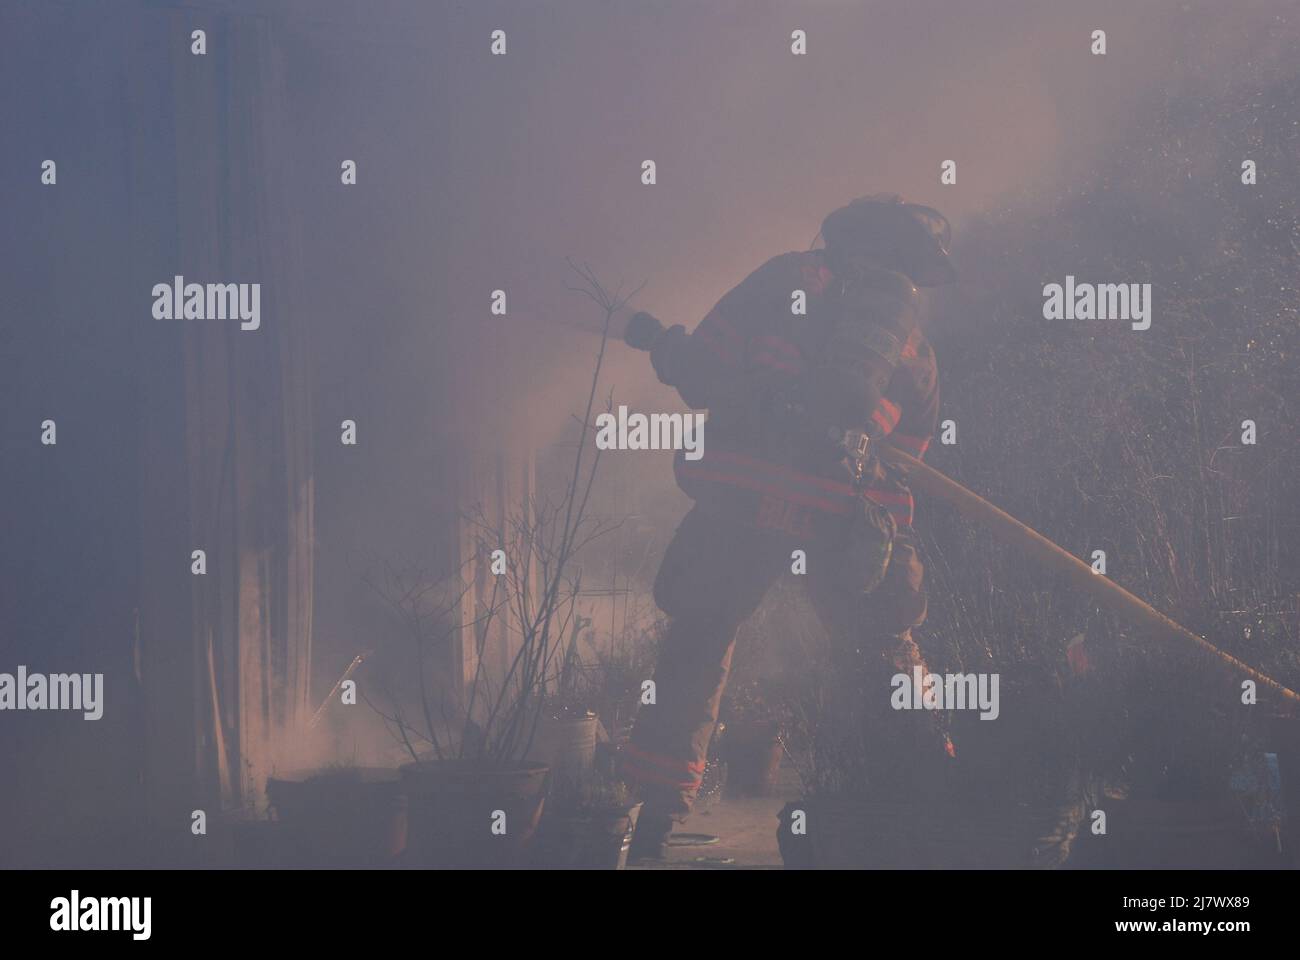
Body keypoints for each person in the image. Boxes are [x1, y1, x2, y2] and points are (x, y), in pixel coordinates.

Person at [618, 195, 958, 860]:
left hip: (742, 502)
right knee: (886, 651)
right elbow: (908, 464)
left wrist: (666, 345)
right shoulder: (914, 349)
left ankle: (652, 820)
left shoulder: (780, 281)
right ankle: (924, 796)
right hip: (839, 519)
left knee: (697, 645)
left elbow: (705, 371)